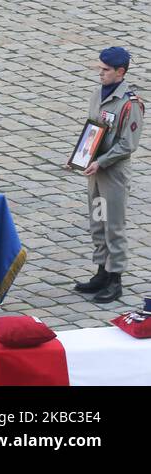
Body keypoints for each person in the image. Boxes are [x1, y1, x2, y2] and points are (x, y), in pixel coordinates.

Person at [74, 47, 144, 304]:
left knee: (113, 225)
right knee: (97, 221)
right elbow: (93, 129)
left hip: (112, 173)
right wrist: (81, 156)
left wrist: (101, 162)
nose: (100, 73)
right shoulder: (97, 94)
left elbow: (128, 144)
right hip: (94, 170)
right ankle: (102, 271)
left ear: (120, 72)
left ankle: (115, 279)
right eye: (100, 68)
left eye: (105, 70)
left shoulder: (129, 104)